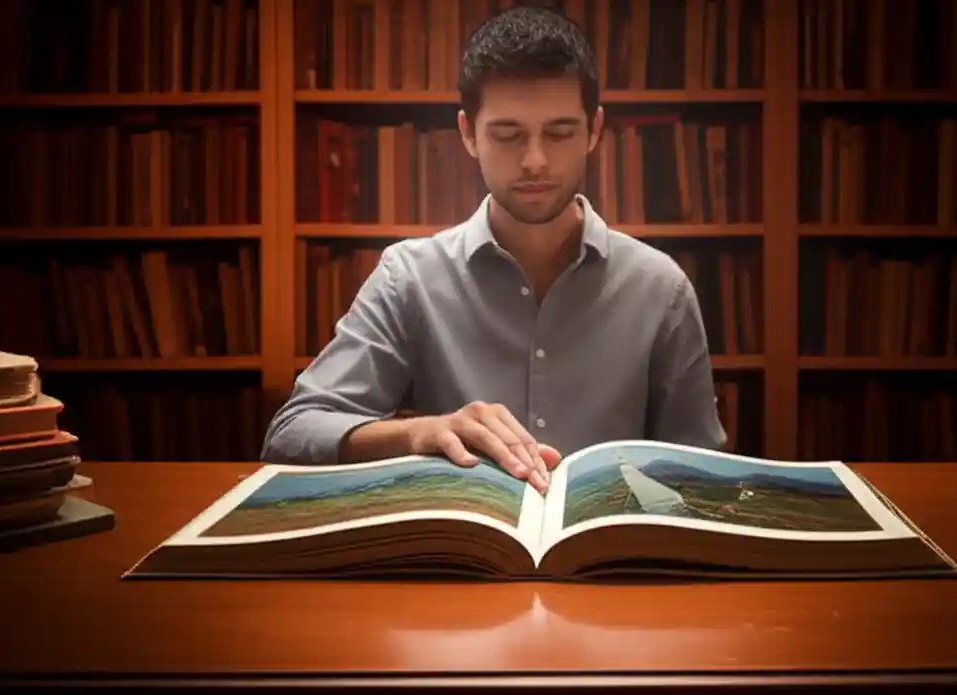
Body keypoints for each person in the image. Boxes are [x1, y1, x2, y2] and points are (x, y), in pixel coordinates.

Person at [262, 6, 725, 494]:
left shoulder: (660, 287)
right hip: (461, 561)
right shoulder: (410, 277)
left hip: (610, 562)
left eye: (560, 133)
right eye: (508, 135)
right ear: (468, 134)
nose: (535, 161)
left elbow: (701, 473)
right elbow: (291, 435)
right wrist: (420, 432)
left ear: (594, 131)